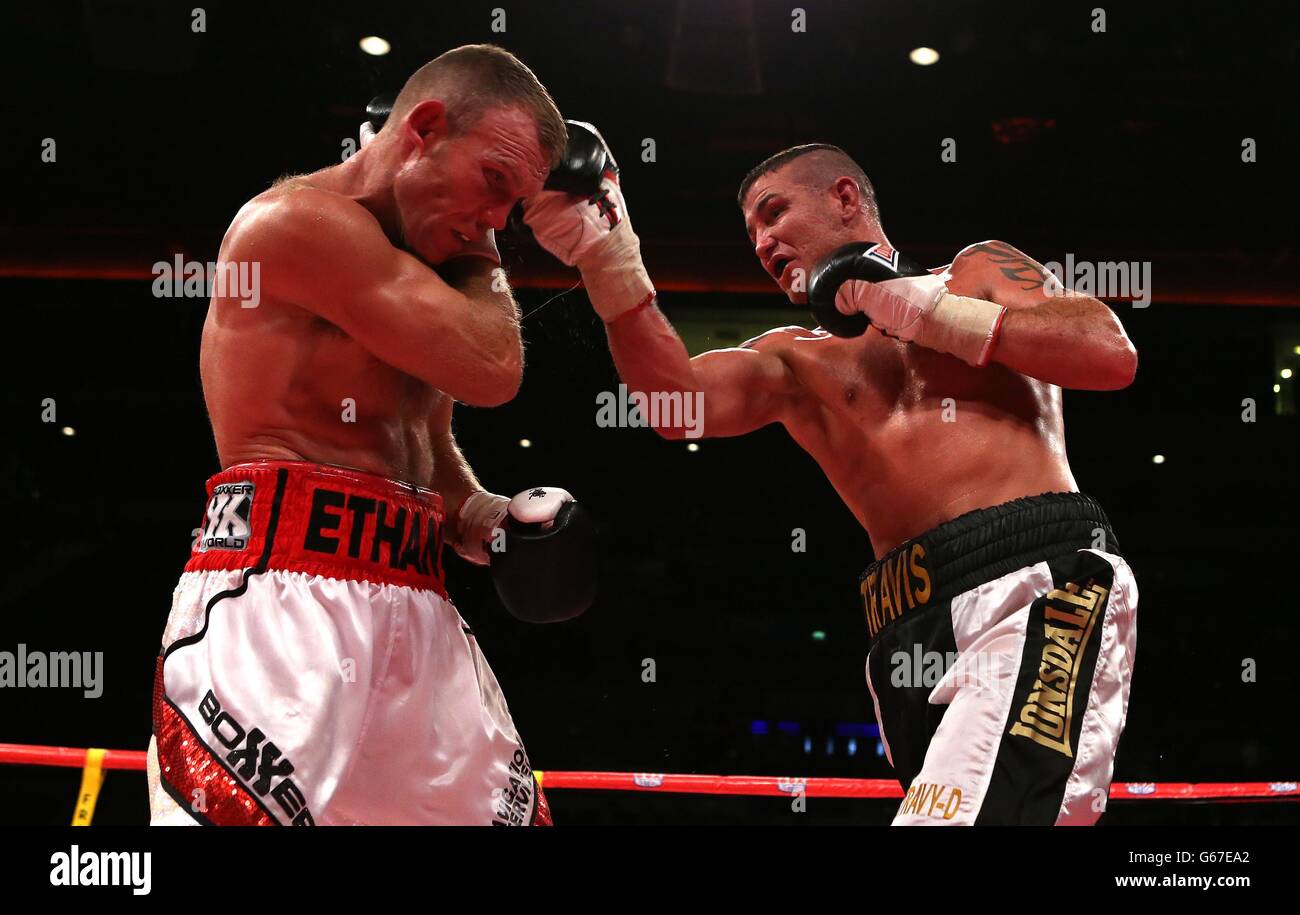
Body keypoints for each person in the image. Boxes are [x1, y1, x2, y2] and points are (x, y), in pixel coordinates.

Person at [521, 141, 1139, 825]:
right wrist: (609, 257)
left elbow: (1108, 353)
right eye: (751, 231)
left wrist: (928, 314)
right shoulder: (797, 361)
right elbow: (673, 406)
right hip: (903, 628)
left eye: (774, 212)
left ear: (844, 198)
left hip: (1037, 580)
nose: (762, 240)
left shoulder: (976, 270)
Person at [148, 44, 586, 826]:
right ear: (423, 128)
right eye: (495, 183)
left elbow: (427, 448)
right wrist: (489, 257)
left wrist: (480, 514)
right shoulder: (296, 223)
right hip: (281, 597)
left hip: (416, 598)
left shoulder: (421, 269)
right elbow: (494, 368)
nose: (496, 222)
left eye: (512, 208)